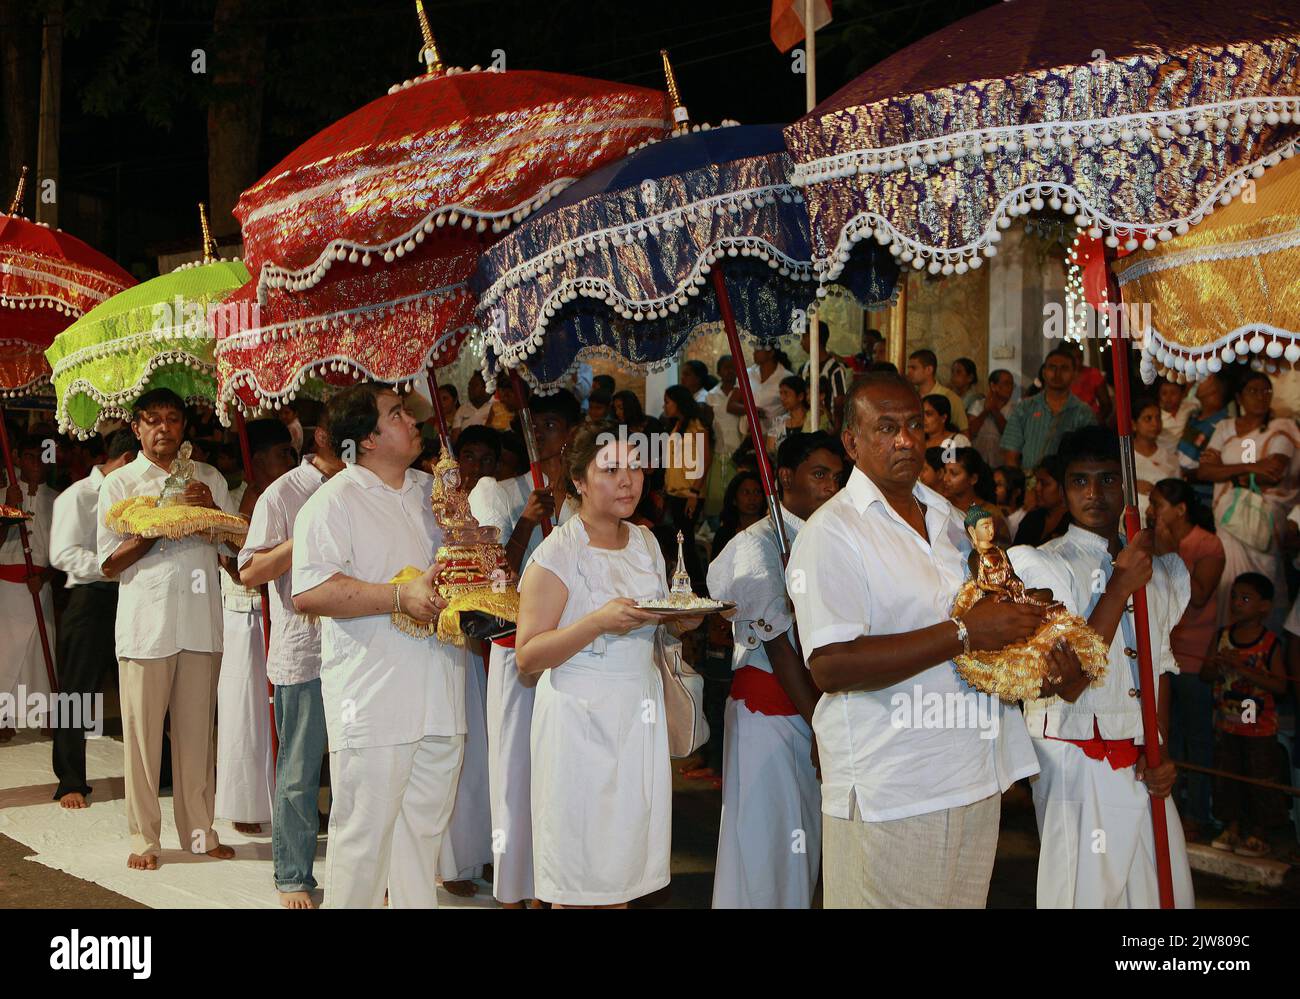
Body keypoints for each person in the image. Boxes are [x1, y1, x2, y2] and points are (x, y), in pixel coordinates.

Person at [785, 371, 1046, 907]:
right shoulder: (831, 534)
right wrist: (966, 632)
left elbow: (983, 622)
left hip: (972, 771)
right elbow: (831, 666)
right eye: (885, 428)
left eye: (912, 425)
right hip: (892, 785)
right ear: (852, 442)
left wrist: (1019, 613)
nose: (904, 439)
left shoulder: (952, 519)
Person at [515, 422, 705, 907]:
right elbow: (528, 656)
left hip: (637, 713)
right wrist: (596, 623)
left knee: (622, 866)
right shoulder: (558, 552)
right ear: (578, 480)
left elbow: (657, 626)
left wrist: (681, 622)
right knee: (579, 868)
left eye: (636, 467)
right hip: (577, 718)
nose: (628, 480)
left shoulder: (646, 544)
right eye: (611, 468)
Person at [292, 383, 468, 908]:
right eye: (397, 414)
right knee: (364, 841)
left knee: (423, 840)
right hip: (372, 699)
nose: (413, 420)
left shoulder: (432, 493)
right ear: (367, 439)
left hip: (440, 690)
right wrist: (398, 595)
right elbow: (309, 593)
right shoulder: (332, 502)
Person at [1008, 425, 1195, 908]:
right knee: (1083, 896)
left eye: (1109, 480)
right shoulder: (1042, 566)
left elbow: (1160, 669)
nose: (1094, 493)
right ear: (1063, 488)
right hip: (1076, 758)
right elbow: (1070, 683)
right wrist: (1118, 586)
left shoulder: (1163, 569)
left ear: (1130, 486)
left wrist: (1159, 748)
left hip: (1140, 758)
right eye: (1080, 481)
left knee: (1155, 896)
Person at [97, 388, 237, 870]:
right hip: (145, 626)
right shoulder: (120, 485)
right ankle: (144, 838)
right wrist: (154, 526)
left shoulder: (208, 477)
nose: (163, 428)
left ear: (183, 427)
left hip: (201, 623)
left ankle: (199, 833)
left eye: (172, 419)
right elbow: (108, 564)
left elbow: (235, 552)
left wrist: (209, 514)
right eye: (152, 420)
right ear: (136, 427)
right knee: (140, 739)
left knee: (198, 739)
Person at [708, 431, 843, 908]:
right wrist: (823, 730)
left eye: (836, 476)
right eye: (819, 474)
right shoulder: (757, 544)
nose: (831, 486)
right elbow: (781, 646)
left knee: (806, 843)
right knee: (768, 844)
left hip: (815, 710)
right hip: (773, 712)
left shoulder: (830, 536)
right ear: (785, 477)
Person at [469, 390, 582, 908]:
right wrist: (525, 522)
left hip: (578, 657)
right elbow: (489, 579)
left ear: (575, 434)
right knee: (516, 770)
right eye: (534, 428)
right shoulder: (502, 491)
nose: (543, 438)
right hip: (518, 651)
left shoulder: (593, 498)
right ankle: (517, 886)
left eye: (554, 426)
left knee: (565, 773)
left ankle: (560, 882)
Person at [239, 413, 345, 908]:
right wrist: (304, 535)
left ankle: (355, 868)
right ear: (324, 436)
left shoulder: (367, 488)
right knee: (300, 771)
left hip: (363, 651)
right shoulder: (282, 494)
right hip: (305, 653)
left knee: (358, 770)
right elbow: (250, 569)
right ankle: (292, 874)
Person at [48, 429, 140, 804]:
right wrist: (110, 567)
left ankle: (161, 769)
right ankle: (70, 779)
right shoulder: (78, 495)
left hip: (131, 597)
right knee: (77, 693)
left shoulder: (137, 496)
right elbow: (62, 554)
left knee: (142, 686)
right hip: (90, 600)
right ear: (126, 460)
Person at [215, 419, 296, 836]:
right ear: (259, 460)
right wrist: (237, 538)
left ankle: (288, 801)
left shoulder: (290, 496)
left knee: (284, 710)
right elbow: (232, 566)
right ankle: (248, 801)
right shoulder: (229, 500)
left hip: (285, 613)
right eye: (284, 454)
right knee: (247, 709)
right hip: (244, 614)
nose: (291, 462)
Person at [1149, 479, 1225, 843]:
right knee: (1168, 736)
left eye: (1158, 504)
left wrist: (1169, 550)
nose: (1151, 511)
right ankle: (1172, 810)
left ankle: (1198, 814)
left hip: (1194, 654)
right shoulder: (1154, 541)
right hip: (1163, 654)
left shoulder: (1207, 544)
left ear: (1180, 510)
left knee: (1197, 739)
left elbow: (1196, 596)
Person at [1198, 370, 1300, 632]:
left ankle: (1266, 652)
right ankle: (1228, 648)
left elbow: (1274, 473)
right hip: (1227, 520)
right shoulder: (1224, 428)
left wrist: (1229, 471)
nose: (1261, 397)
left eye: (1266, 391)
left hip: (1262, 520)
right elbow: (1205, 471)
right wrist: (1253, 468)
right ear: (1239, 397)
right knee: (1230, 583)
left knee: (1263, 584)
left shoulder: (1282, 428)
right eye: (1253, 391)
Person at [1200, 573, 1287, 858]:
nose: (1237, 603)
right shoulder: (1222, 636)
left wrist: (1244, 670)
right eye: (1235, 596)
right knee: (1228, 776)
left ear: (1264, 606)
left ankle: (1259, 832)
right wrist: (1217, 665)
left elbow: (1281, 685)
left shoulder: (1270, 642)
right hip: (1227, 724)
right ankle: (1232, 827)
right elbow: (1206, 674)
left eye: (1245, 598)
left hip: (1260, 729)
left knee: (1260, 778)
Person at [0, 433, 57, 741]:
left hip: (40, 587)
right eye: (31, 457)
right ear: (18, 458)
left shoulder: (58, 500)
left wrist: (45, 577)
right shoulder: (3, 495)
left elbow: (64, 554)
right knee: (5, 653)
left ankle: (43, 712)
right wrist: (8, 512)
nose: (37, 464)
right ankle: (3, 716)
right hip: (5, 589)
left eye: (42, 457)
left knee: (39, 648)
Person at [1002, 347, 1097, 470]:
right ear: (1044, 373)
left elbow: (1089, 456)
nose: (1057, 374)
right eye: (1052, 368)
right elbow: (1011, 456)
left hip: (1067, 484)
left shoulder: (1083, 412)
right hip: (1031, 484)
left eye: (1064, 369)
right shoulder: (1024, 408)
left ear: (1074, 374)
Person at [661, 384, 712, 592]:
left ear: (678, 402)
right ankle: (693, 585)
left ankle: (700, 587)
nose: (665, 406)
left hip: (689, 492)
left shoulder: (696, 424)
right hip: (675, 491)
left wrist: (694, 492)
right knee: (682, 539)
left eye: (668, 402)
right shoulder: (677, 425)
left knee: (686, 540)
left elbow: (705, 459)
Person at [1179, 370, 1233, 504]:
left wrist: (1184, 475)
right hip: (1184, 498)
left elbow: (1217, 470)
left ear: (1215, 389)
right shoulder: (1193, 416)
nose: (1199, 380)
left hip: (1202, 503)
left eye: (1206, 378)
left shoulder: (1225, 426)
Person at [704, 355, 743, 523]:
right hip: (719, 453)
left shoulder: (742, 391)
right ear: (719, 371)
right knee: (717, 497)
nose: (730, 371)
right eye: (726, 367)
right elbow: (707, 426)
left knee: (737, 497)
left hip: (739, 452)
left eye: (733, 367)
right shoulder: (711, 396)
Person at [729, 347, 792, 446]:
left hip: (776, 437)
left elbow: (793, 409)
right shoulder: (746, 373)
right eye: (754, 350)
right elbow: (731, 405)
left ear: (771, 353)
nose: (754, 353)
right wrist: (751, 410)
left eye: (758, 350)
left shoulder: (787, 377)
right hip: (748, 435)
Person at [1131, 396, 1181, 519]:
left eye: (1158, 418)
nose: (1155, 423)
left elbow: (1178, 495)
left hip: (1162, 524)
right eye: (1148, 419)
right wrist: (1131, 486)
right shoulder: (1123, 456)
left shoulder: (1170, 458)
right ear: (1133, 424)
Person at [799, 319, 851, 431]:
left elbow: (839, 405)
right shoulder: (803, 368)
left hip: (828, 428)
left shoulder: (835, 370)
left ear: (815, 338)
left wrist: (836, 433)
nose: (801, 342)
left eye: (804, 337)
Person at [1011, 456, 1071, 548]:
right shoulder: (1033, 518)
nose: (1037, 488)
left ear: (1063, 487)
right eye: (1037, 482)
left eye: (1044, 484)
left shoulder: (1073, 524)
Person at [905, 348, 968, 432]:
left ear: (929, 370)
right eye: (908, 368)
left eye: (913, 368)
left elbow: (964, 431)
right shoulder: (910, 396)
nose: (909, 372)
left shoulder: (950, 397)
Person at [711, 470, 765, 558]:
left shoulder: (770, 531)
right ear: (734, 499)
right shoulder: (724, 534)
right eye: (745, 492)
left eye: (757, 492)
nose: (752, 498)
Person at [969, 369, 1016, 470]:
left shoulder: (1016, 409)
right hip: (978, 464)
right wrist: (985, 411)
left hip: (1002, 465)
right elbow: (970, 432)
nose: (1011, 388)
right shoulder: (978, 404)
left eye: (1012, 384)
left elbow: (1009, 434)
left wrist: (994, 410)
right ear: (993, 386)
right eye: (1006, 383)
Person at [1062, 341, 1112, 422]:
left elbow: (1106, 405)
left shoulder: (1093, 374)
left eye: (1080, 357)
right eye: (1075, 358)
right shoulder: (1061, 377)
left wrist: (1094, 421)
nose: (1078, 361)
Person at [453, 425, 500, 495]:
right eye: (469, 458)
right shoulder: (438, 501)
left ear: (497, 466)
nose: (477, 468)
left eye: (486, 460)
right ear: (456, 462)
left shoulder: (507, 503)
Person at [1156, 379, 1197, 454]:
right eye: (1164, 393)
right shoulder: (1156, 415)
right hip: (1163, 456)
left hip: (1184, 455)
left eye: (1173, 393)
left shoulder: (1189, 407)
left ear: (1182, 394)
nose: (1168, 397)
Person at [993, 465, 1029, 539]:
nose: (993, 488)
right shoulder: (989, 512)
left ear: (1016, 492)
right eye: (992, 483)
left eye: (999, 485)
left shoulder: (1024, 519)